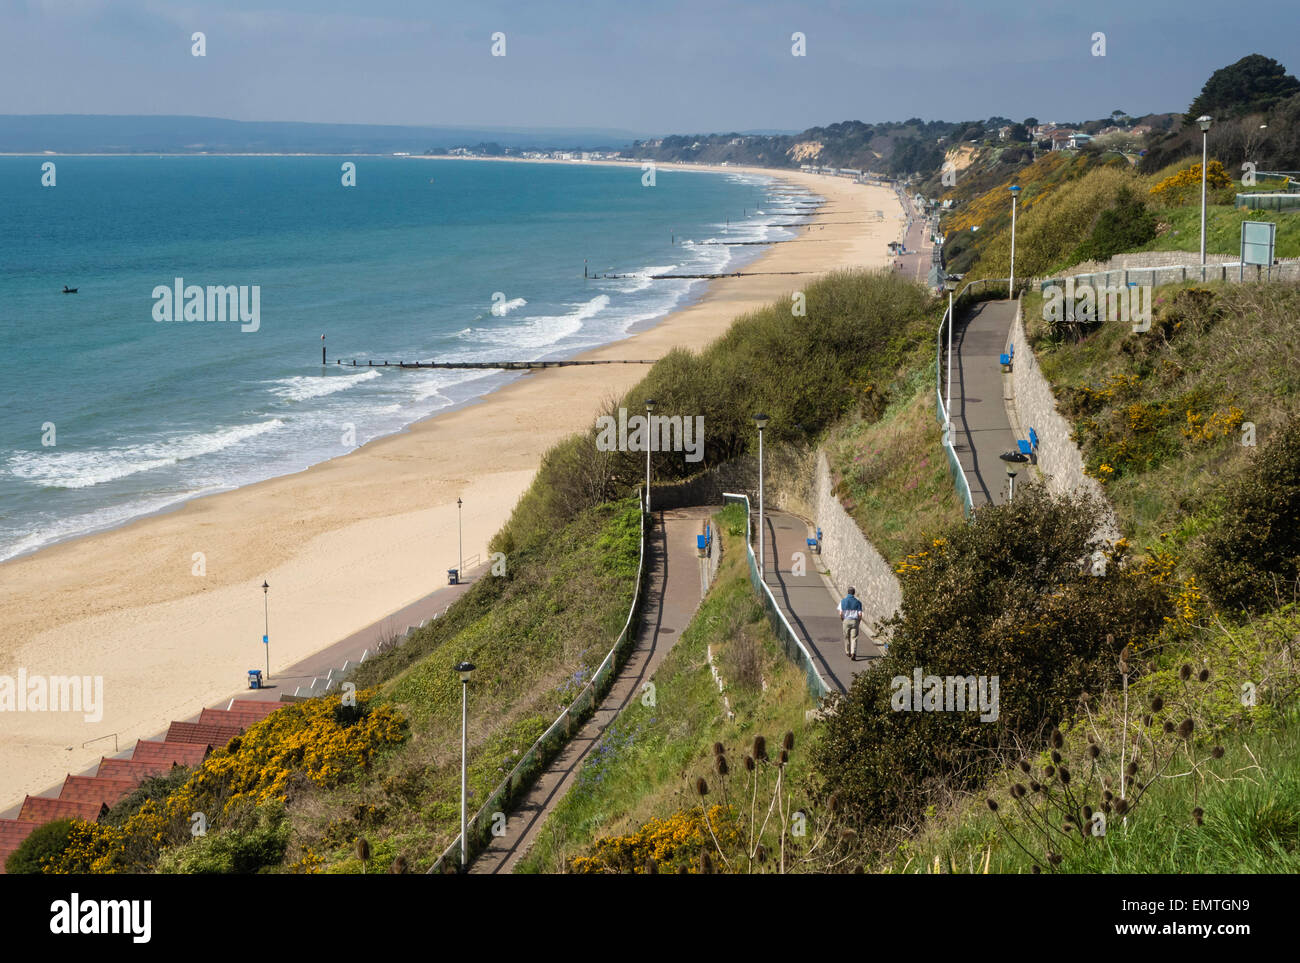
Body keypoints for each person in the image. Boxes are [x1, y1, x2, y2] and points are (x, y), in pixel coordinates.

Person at [838, 586, 864, 660]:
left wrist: (842, 619)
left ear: (848, 592)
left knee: (846, 637)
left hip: (846, 620)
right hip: (855, 621)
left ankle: (847, 652)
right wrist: (858, 621)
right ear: (854, 593)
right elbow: (860, 614)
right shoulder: (858, 602)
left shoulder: (842, 601)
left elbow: (840, 613)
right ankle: (853, 653)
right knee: (854, 638)